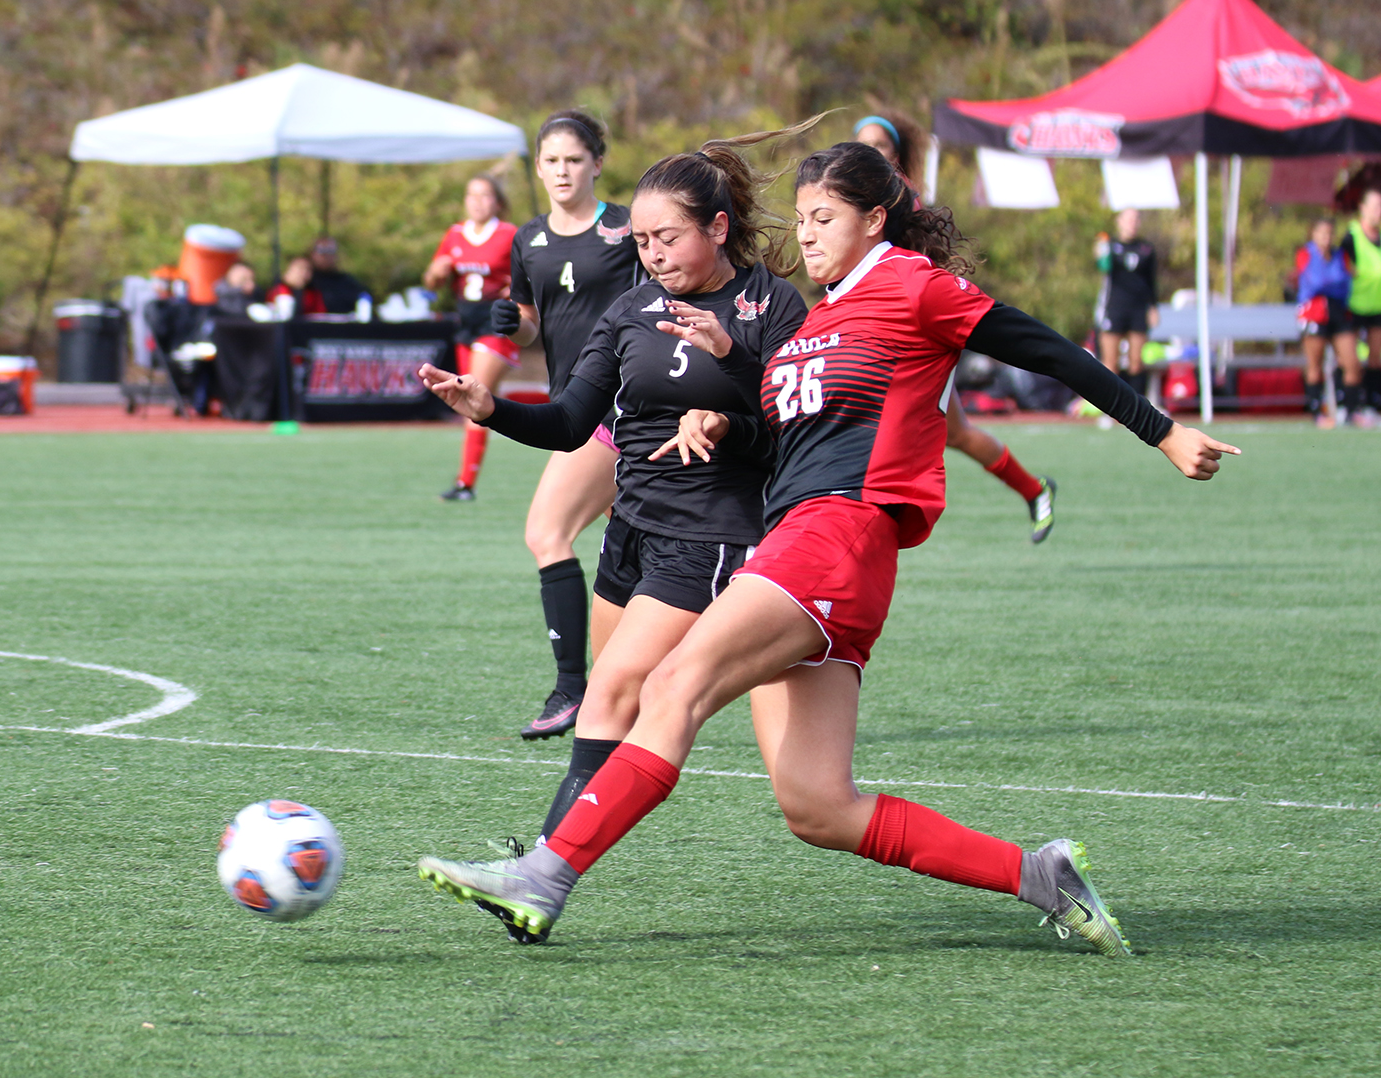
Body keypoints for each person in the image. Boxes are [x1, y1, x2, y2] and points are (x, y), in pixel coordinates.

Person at [418, 141, 1240, 957]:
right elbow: (782, 432)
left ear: (875, 218)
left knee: (672, 684)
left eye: (826, 218)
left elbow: (1043, 347)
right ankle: (1041, 875)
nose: (807, 234)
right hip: (811, 544)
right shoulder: (829, 314)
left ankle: (546, 874)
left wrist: (1160, 431)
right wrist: (726, 398)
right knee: (817, 806)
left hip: (838, 532)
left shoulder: (914, 287)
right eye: (803, 218)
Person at [421, 129, 813, 938]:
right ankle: (541, 873)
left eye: (666, 237)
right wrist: (492, 410)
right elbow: (571, 424)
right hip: (631, 529)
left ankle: (540, 874)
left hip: (711, 535)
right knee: (615, 702)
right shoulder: (634, 307)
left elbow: (788, 427)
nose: (652, 255)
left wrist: (728, 407)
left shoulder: (772, 307)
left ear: (715, 226)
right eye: (639, 241)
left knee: (613, 695)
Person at [487, 110, 644, 740]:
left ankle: (572, 689)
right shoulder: (528, 240)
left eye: (574, 160)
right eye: (550, 160)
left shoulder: (627, 228)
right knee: (640, 553)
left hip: (619, 406)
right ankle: (637, 686)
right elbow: (533, 326)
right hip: (571, 407)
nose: (561, 171)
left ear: (597, 164)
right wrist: (513, 324)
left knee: (547, 531)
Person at [855, 113, 1056, 542]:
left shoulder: (899, 200)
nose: (871, 151)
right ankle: (1035, 489)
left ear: (896, 155)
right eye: (863, 143)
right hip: (876, 334)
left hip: (912, 339)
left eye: (879, 144)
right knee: (958, 433)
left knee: (912, 429)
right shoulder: (848, 200)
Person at [426, 175, 520, 499]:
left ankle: (466, 484)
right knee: (471, 403)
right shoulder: (454, 234)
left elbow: (532, 274)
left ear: (497, 202)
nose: (477, 201)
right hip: (466, 323)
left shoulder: (508, 234)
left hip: (495, 323)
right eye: (471, 195)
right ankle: (466, 482)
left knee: (475, 396)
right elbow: (432, 281)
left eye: (485, 195)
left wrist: (518, 289)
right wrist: (437, 272)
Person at [1293, 218, 1361, 428]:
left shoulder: (1341, 255)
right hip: (1314, 313)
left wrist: (1334, 282)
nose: (1326, 238)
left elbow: (1346, 282)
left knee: (1351, 363)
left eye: (1330, 233)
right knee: (1315, 364)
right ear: (1313, 234)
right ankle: (1317, 412)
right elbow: (1316, 281)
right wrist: (1334, 281)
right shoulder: (1306, 254)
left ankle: (1348, 411)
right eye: (1321, 233)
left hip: (1339, 312)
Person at [1095, 208, 1159, 397]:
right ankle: (1109, 410)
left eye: (1135, 219)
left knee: (1136, 362)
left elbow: (1151, 281)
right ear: (1119, 221)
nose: (1132, 223)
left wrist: (1153, 307)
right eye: (1128, 219)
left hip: (1138, 310)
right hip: (1115, 308)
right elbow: (1102, 267)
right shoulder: (1109, 245)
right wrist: (1101, 252)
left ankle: (1139, 409)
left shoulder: (1146, 249)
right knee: (1110, 363)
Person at [1339, 187, 1381, 423]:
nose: (1379, 212)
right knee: (1349, 359)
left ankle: (1372, 406)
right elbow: (1342, 268)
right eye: (1375, 206)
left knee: (1376, 358)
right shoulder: (1351, 237)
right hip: (1353, 306)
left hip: (1377, 306)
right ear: (1363, 209)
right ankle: (1348, 405)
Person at [307, 237, 370, 316]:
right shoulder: (306, 281)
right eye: (321, 251)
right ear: (312, 254)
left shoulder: (347, 282)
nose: (326, 256)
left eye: (330, 251)